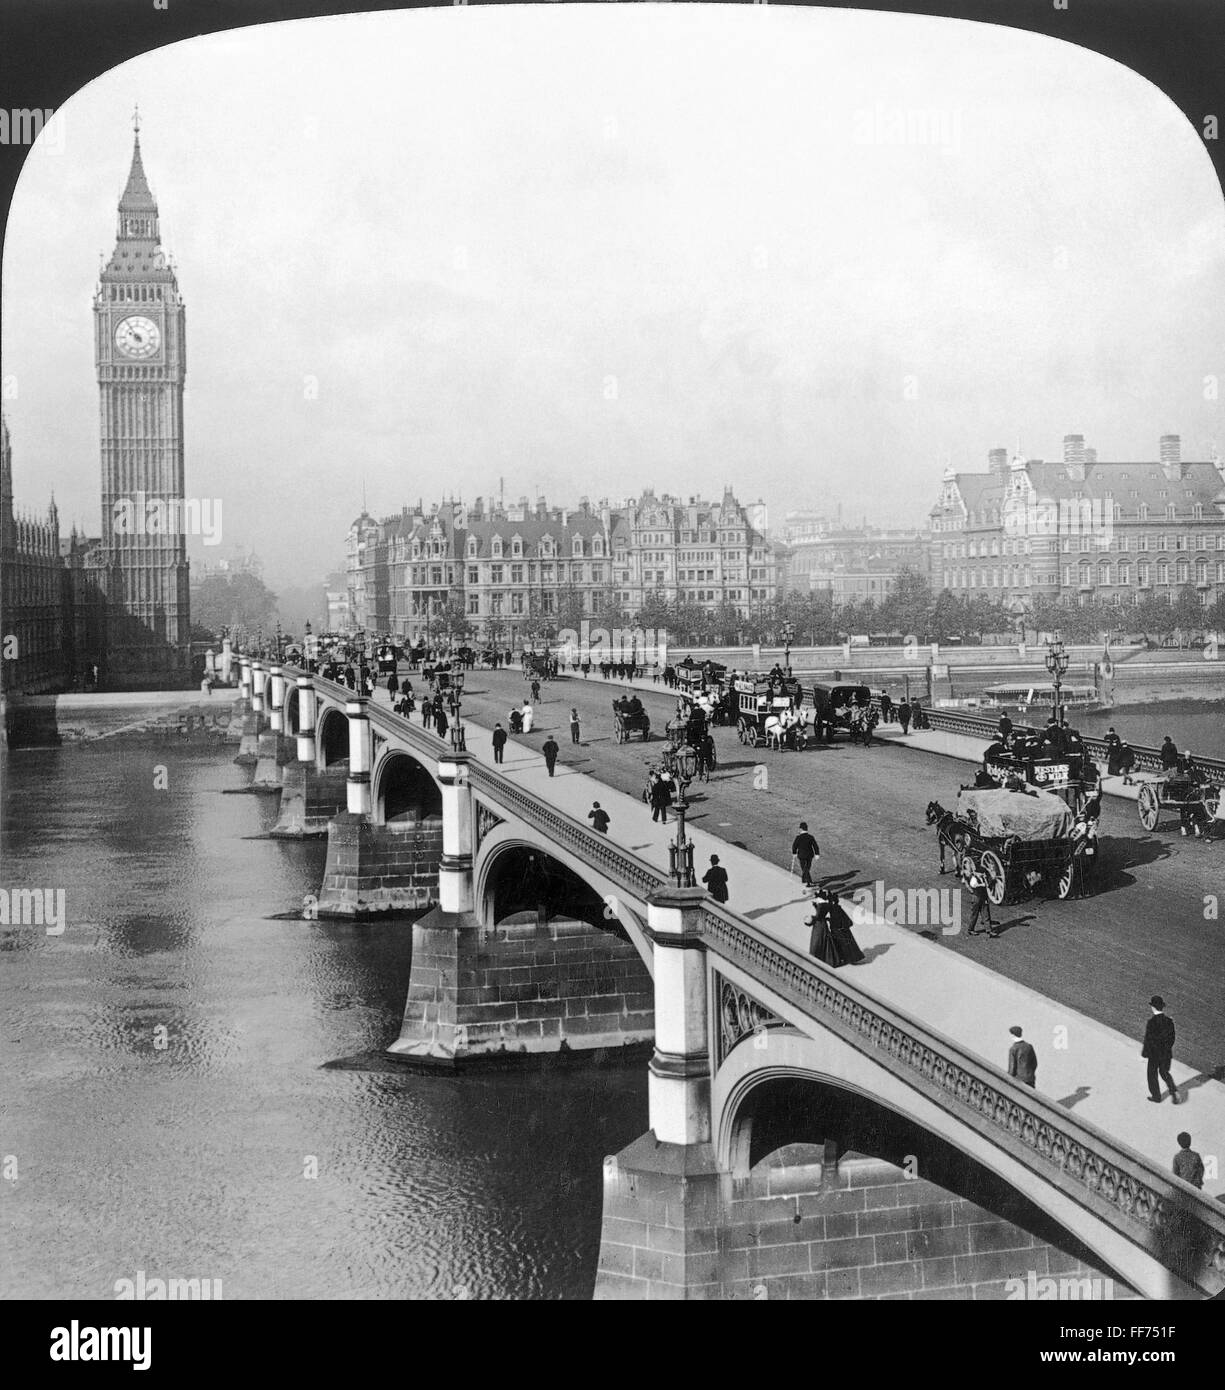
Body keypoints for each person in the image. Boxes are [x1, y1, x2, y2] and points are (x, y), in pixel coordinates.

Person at [806, 889, 865, 967]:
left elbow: (822, 915)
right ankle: (845, 958)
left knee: (841, 943)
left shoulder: (831, 907)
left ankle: (845, 958)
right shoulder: (833, 906)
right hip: (838, 927)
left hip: (837, 928)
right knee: (842, 943)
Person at [1142, 995, 1178, 1104]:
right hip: (1166, 1053)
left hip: (1154, 1054)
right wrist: (1166, 1049)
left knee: (1152, 1074)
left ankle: (1156, 1097)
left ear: (1153, 1007)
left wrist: (1144, 1054)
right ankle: (1173, 1091)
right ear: (1162, 1007)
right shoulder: (1169, 1021)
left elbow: (1148, 1040)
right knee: (1164, 1072)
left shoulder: (1151, 1022)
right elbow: (1172, 1038)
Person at [964, 863, 997, 938]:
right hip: (976, 898)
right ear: (977, 873)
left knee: (986, 914)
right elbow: (973, 885)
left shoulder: (982, 878)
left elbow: (988, 885)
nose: (983, 875)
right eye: (982, 873)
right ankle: (970, 929)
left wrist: (992, 879)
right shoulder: (974, 878)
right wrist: (982, 885)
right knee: (974, 915)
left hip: (983, 898)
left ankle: (989, 931)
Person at [791, 822, 820, 886]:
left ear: (801, 829)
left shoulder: (798, 837)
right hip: (809, 855)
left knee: (804, 868)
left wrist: (794, 853)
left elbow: (794, 846)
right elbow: (815, 846)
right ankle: (808, 881)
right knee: (807, 868)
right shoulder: (810, 837)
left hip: (801, 855)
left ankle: (806, 880)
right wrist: (817, 854)